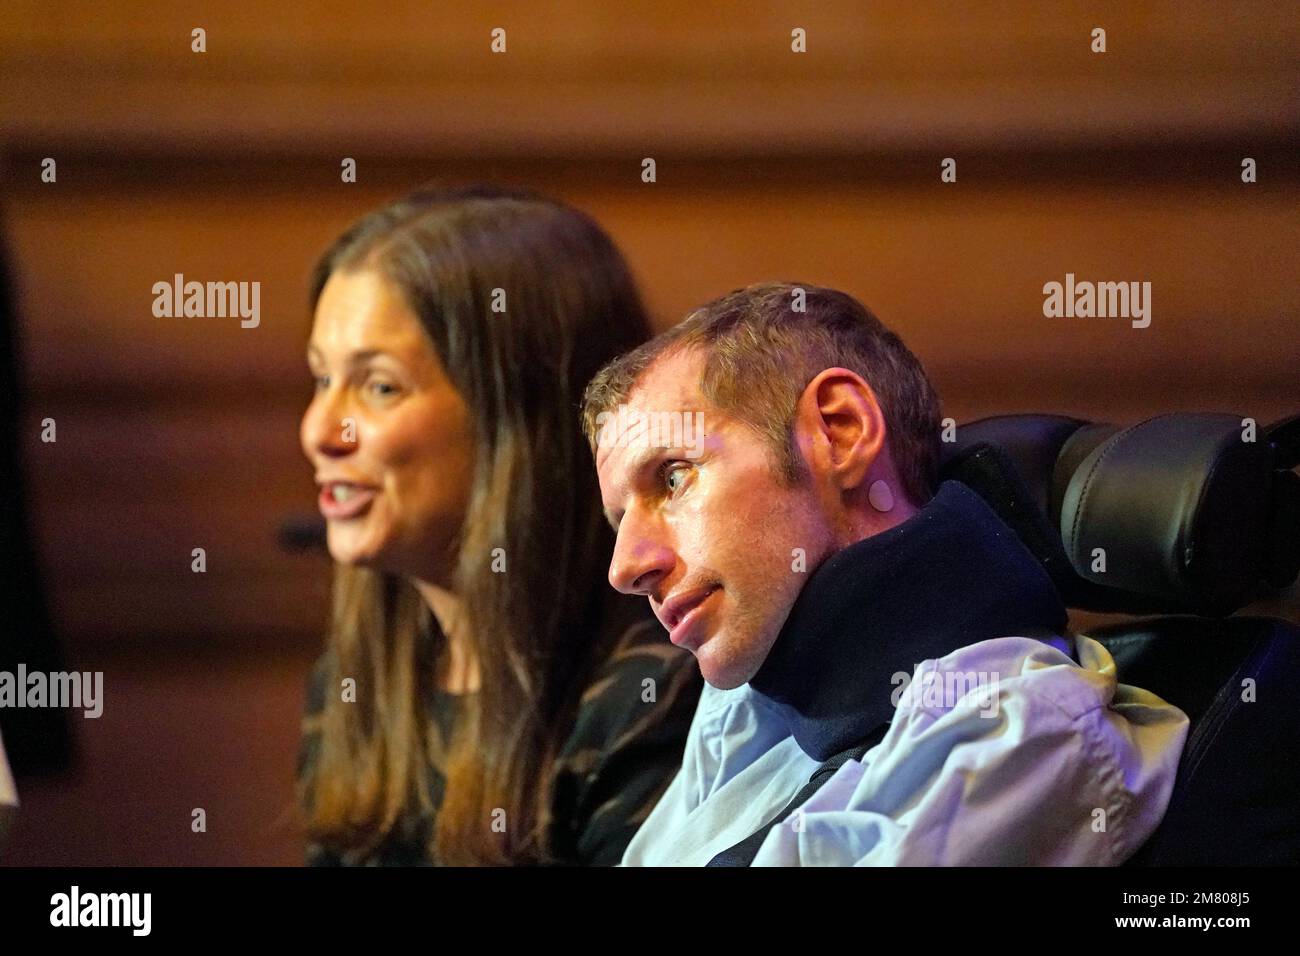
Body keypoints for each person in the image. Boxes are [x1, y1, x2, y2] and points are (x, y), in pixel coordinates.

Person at [582, 282, 1189, 866]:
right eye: (619, 522)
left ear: (839, 432)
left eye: (672, 477)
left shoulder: (1021, 734)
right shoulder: (739, 706)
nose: (625, 567)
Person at [297, 185, 701, 866]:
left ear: (518, 416)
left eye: (379, 386)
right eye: (320, 379)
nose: (318, 432)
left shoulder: (648, 699)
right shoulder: (354, 678)